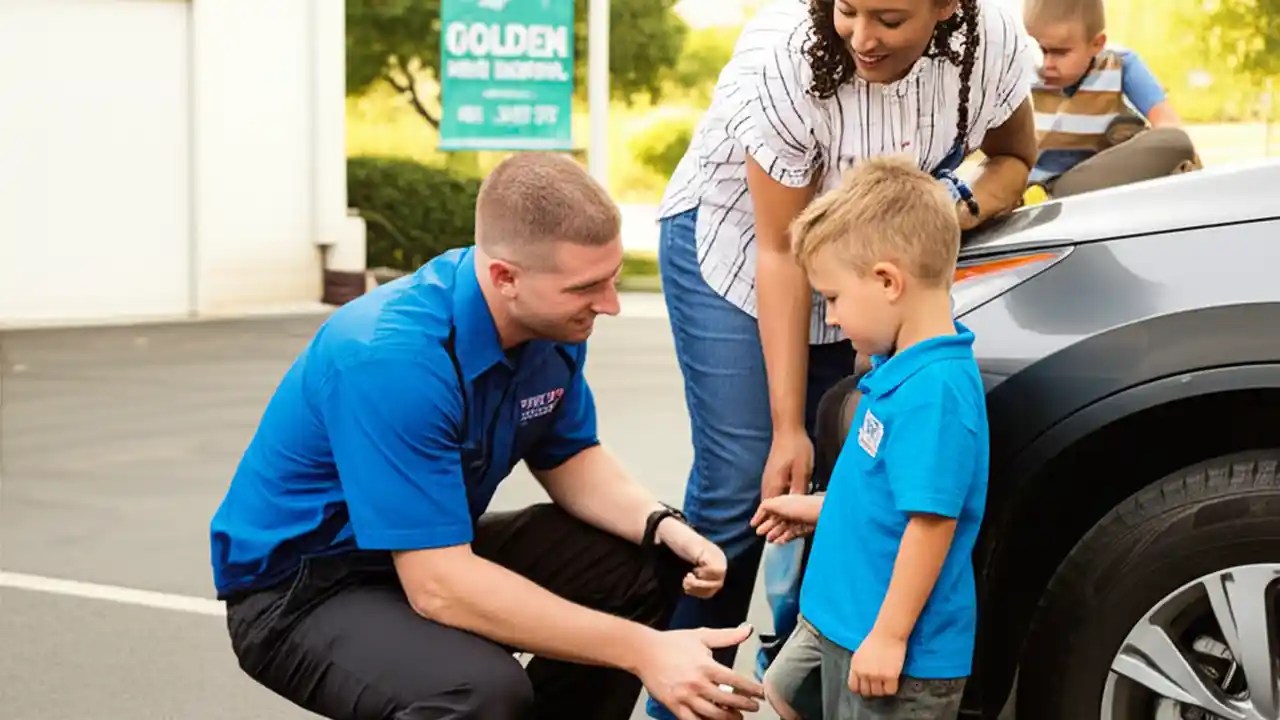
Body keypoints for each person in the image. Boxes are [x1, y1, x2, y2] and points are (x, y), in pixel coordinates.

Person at [208, 152, 766, 720]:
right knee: (478, 694)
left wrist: (664, 526)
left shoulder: (551, 320)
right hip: (305, 590)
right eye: (587, 288)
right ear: (505, 278)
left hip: (429, 549)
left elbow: (569, 454)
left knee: (646, 560)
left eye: (613, 278)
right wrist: (645, 651)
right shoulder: (390, 358)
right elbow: (439, 586)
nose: (610, 305)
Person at [648, 1, 1036, 714]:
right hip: (750, 256)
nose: (860, 37)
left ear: (948, 7)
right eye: (846, 10)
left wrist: (940, 222)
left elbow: (1014, 158)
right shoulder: (790, 64)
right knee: (745, 482)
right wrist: (786, 423)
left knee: (850, 462)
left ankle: (803, 655)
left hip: (866, 270)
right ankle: (679, 692)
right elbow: (778, 251)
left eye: (888, 17)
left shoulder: (991, 46)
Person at [751, 155, 992, 719]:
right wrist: (819, 510)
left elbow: (931, 524)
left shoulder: (935, 393)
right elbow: (889, 491)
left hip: (889, 645)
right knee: (783, 694)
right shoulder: (896, 369)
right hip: (838, 616)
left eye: (832, 298)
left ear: (887, 281)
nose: (831, 318)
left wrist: (888, 637)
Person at [1023, 0, 1201, 198]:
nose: (1048, 63)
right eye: (1042, 49)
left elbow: (1168, 125)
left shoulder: (1120, 64)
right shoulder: (1023, 75)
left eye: (1060, 52)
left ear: (1096, 44)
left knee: (1175, 140)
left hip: (1100, 176)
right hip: (1035, 186)